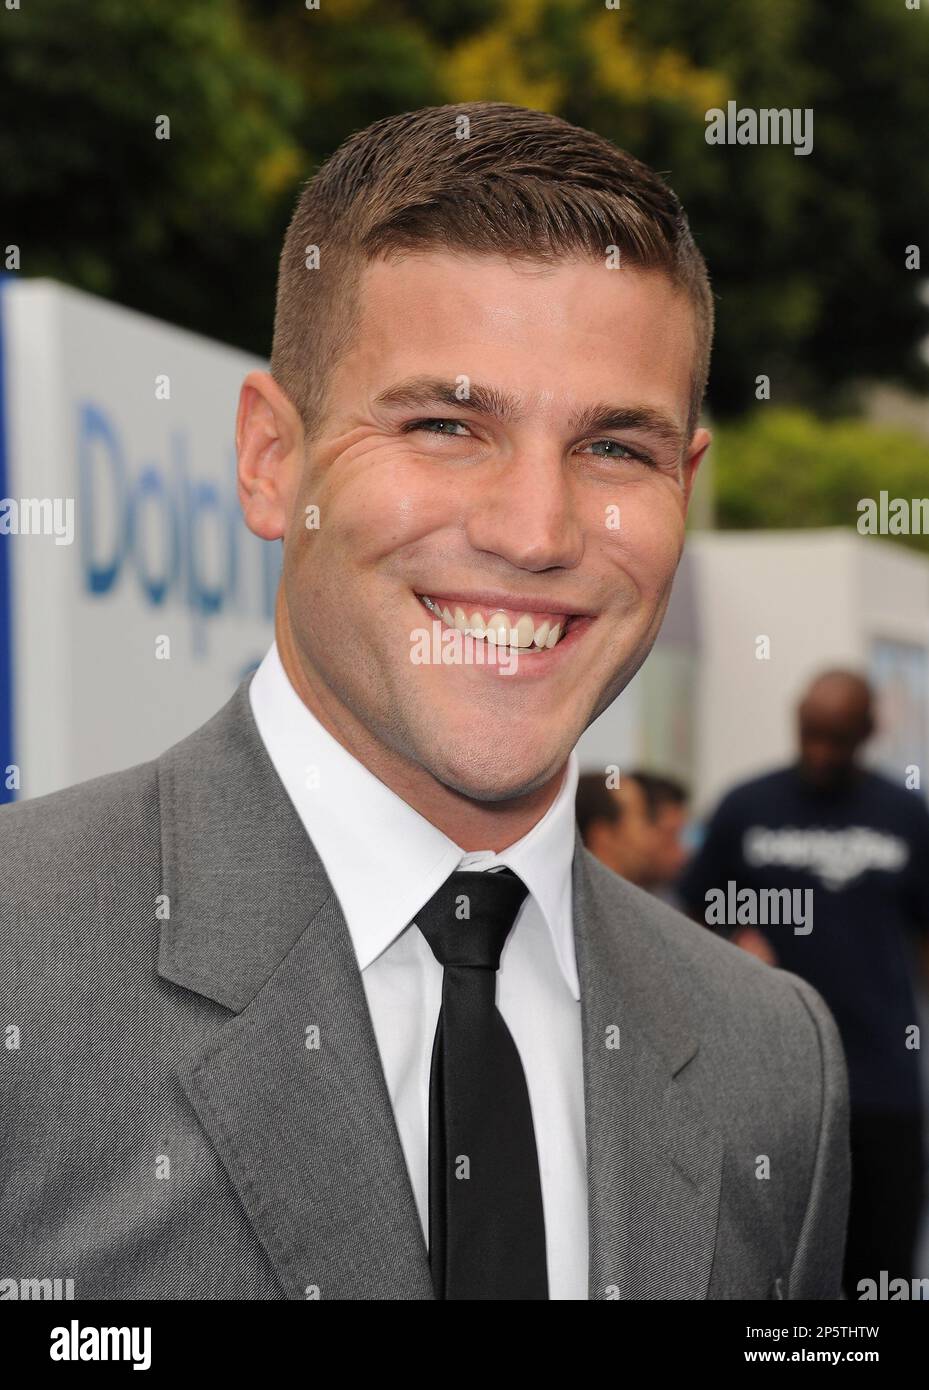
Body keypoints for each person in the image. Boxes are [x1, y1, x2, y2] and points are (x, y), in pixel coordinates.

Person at [0, 102, 849, 1301]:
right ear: (269, 461)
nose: (533, 532)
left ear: (684, 485)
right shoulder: (19, 962)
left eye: (614, 448)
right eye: (445, 425)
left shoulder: (773, 1063)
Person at [679, 669, 929, 1296]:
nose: (820, 751)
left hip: (879, 1078)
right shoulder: (747, 805)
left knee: (879, 1272)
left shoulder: (905, 814)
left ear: (868, 733)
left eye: (837, 739)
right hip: (767, 1076)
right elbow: (691, 912)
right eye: (810, 735)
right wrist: (735, 934)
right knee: (767, 1269)